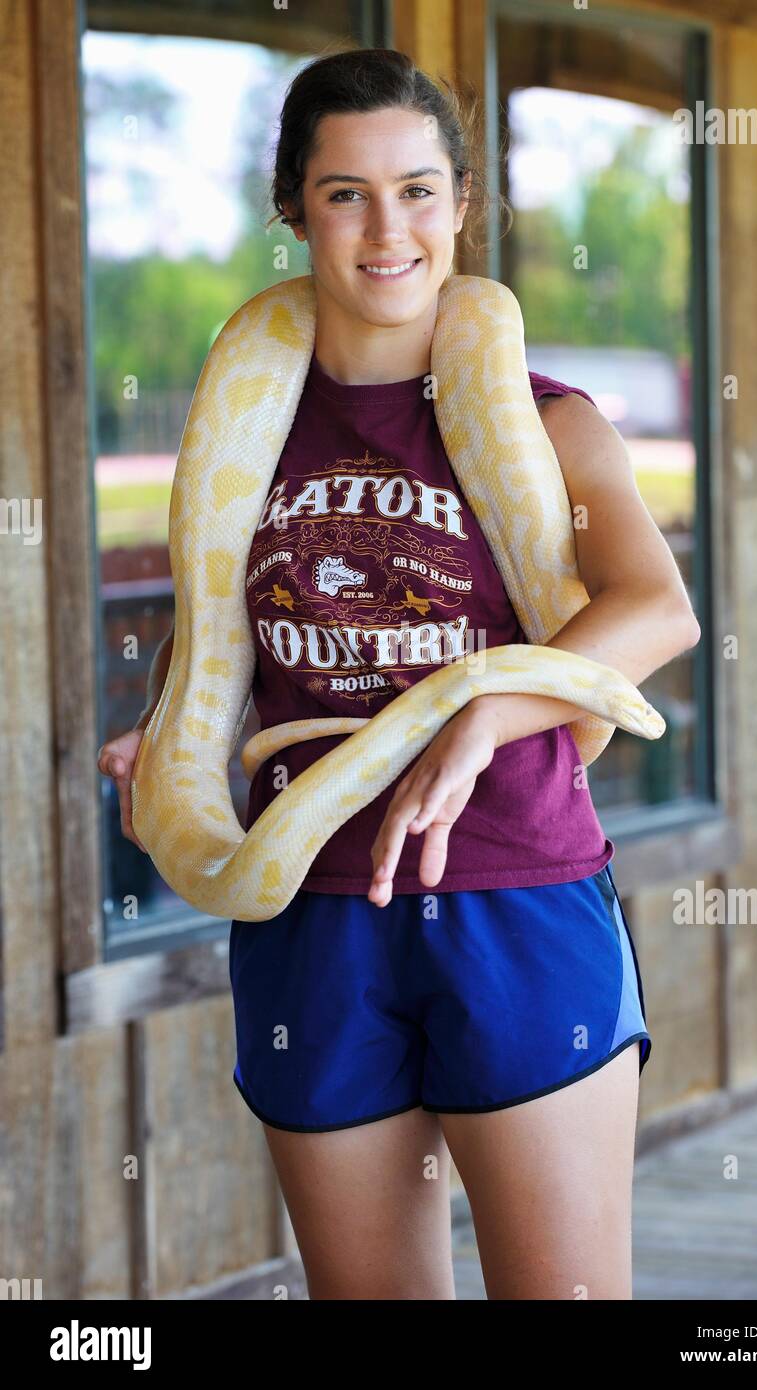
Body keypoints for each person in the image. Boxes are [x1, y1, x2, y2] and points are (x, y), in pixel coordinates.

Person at [98, 48, 700, 1300]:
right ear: (294, 209)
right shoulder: (243, 422)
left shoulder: (547, 416)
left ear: (462, 205)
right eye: (346, 194)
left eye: (419, 190)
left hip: (512, 892)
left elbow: (654, 612)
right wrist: (169, 739)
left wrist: (482, 710)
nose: (388, 229)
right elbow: (222, 633)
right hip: (310, 910)